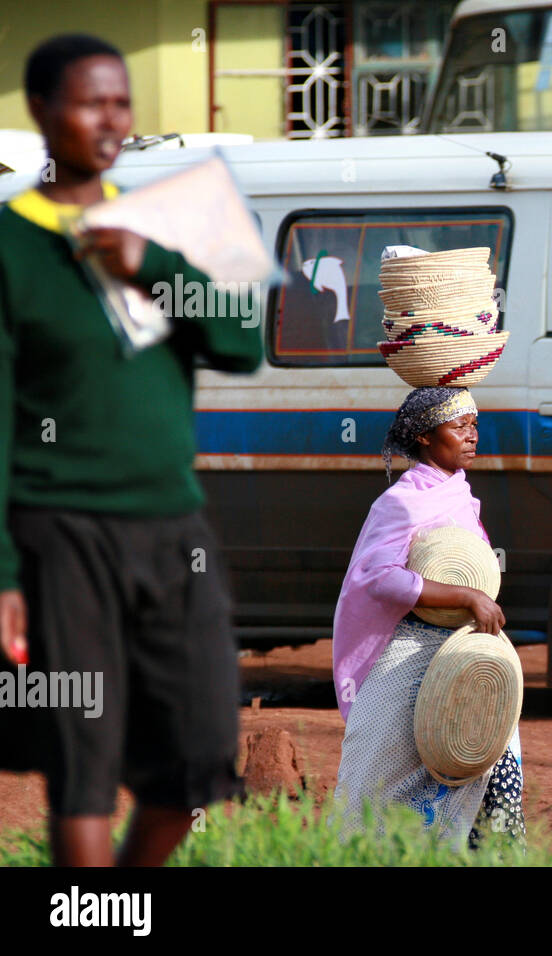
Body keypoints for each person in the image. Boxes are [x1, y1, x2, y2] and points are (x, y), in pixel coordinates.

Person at [0, 34, 264, 866]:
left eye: (121, 102)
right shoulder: (10, 249)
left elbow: (242, 340)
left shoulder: (157, 227)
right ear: (42, 112)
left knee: (196, 759)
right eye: (89, 102)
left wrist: (152, 264)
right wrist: (4, 573)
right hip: (60, 532)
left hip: (173, 530)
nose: (109, 119)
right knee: (81, 763)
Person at [332, 386, 524, 849]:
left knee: (486, 767)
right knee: (380, 785)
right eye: (459, 426)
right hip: (411, 655)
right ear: (424, 436)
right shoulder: (402, 502)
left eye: (474, 425)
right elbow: (377, 576)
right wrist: (466, 595)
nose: (472, 435)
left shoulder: (457, 492)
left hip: (468, 653)